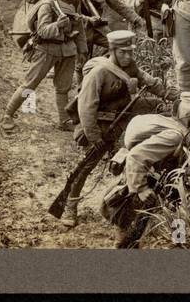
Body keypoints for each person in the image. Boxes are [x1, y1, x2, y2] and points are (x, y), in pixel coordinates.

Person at [57, 30, 168, 228]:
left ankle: (123, 206)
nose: (128, 56)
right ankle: (70, 206)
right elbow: (86, 107)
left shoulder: (131, 67)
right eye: (123, 52)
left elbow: (152, 84)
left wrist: (174, 96)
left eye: (130, 52)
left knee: (129, 162)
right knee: (85, 168)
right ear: (113, 51)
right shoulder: (99, 73)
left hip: (120, 123)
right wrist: (94, 136)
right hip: (98, 126)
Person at [103, 92, 190, 247]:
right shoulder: (175, 135)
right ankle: (125, 246)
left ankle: (178, 243)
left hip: (153, 172)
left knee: (176, 202)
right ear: (189, 114)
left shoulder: (170, 123)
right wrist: (141, 188)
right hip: (139, 173)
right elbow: (136, 157)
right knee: (131, 219)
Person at [1, 0, 95, 134]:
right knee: (30, 84)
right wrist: (57, 25)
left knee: (63, 87)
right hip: (46, 49)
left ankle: (64, 120)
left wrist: (82, 49)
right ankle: (8, 115)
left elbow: (79, 24)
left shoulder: (75, 1)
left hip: (67, 49)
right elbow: (42, 31)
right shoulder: (48, 4)